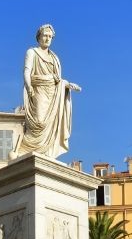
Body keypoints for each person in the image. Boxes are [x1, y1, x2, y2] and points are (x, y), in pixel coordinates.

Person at [15, 24, 82, 160]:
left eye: (50, 37)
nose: (47, 39)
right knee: (39, 122)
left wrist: (68, 85)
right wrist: (29, 87)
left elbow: (58, 80)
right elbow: (27, 71)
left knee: (50, 124)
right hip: (38, 89)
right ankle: (25, 149)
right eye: (45, 35)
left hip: (53, 94)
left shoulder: (54, 58)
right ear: (39, 36)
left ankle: (46, 151)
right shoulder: (32, 52)